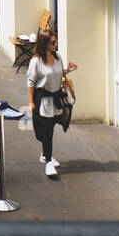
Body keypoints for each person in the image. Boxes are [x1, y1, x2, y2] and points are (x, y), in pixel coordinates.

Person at [26, 28, 76, 177]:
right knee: (47, 129)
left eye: (56, 41)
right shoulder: (36, 61)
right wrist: (30, 102)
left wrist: (68, 70)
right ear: (45, 43)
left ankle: (45, 154)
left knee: (52, 126)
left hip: (56, 98)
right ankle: (48, 161)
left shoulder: (58, 57)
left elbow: (58, 73)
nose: (56, 44)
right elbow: (30, 82)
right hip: (43, 99)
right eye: (53, 42)